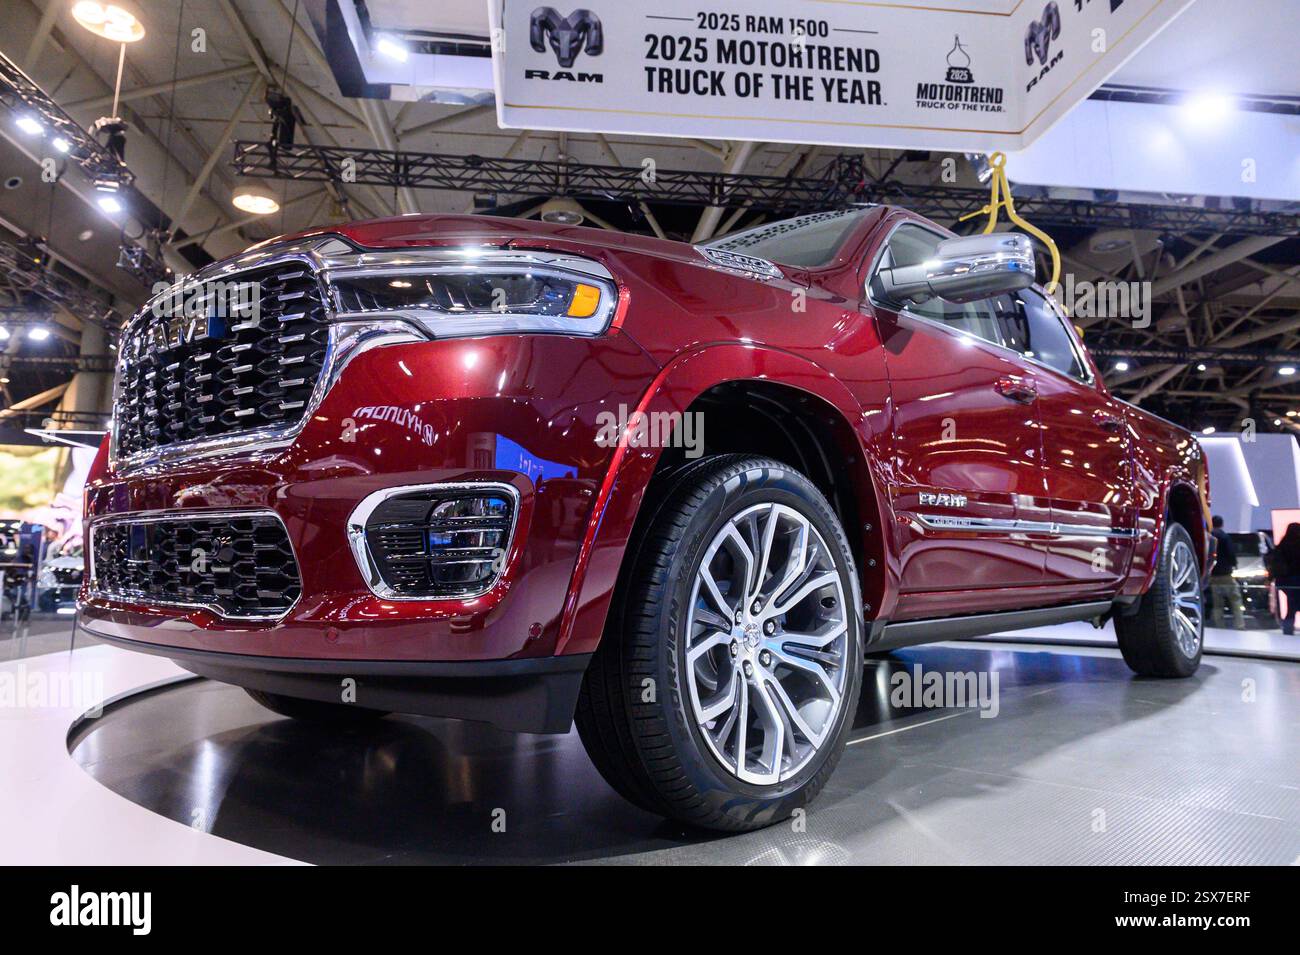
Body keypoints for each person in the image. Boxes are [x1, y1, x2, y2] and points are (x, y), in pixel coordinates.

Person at [1208, 515, 1245, 630]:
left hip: (1213, 574)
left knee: (1217, 603)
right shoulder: (1224, 537)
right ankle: (1239, 625)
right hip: (1225, 573)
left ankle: (1220, 626)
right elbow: (1230, 553)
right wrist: (1234, 564)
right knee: (1235, 600)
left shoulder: (1208, 537)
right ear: (1222, 524)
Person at [1271, 523, 1300, 636]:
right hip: (1297, 580)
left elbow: (1275, 564)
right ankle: (1288, 627)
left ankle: (1287, 629)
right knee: (1293, 605)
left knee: (1291, 606)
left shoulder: (1281, 546)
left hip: (1285, 581)